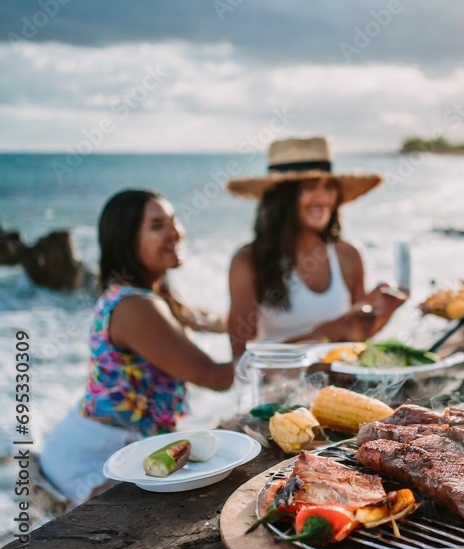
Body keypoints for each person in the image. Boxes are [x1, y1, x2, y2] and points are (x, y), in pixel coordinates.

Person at [41, 189, 235, 504]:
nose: (175, 232)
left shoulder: (151, 294)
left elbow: (220, 321)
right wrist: (268, 355)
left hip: (122, 447)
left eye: (173, 220)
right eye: (157, 226)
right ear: (127, 241)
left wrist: (268, 321)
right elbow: (214, 377)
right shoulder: (135, 306)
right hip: (93, 458)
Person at [227, 137, 406, 359]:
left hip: (340, 380)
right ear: (283, 197)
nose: (322, 199)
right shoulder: (247, 262)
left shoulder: (349, 255)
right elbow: (241, 360)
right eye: (310, 187)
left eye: (329, 187)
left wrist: (381, 312)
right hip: (277, 382)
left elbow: (357, 339)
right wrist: (324, 333)